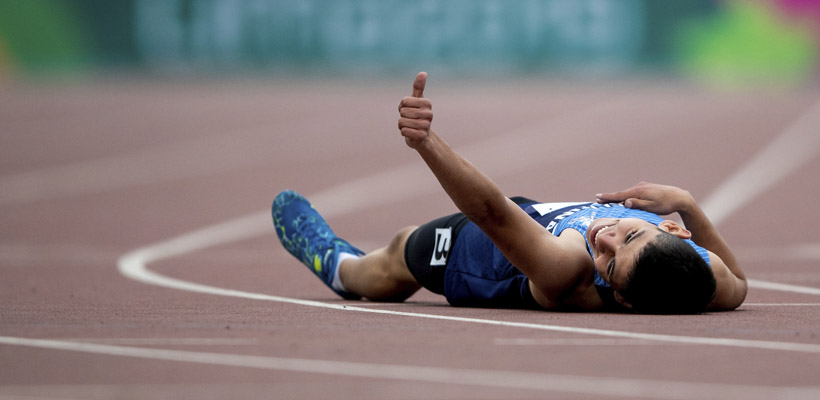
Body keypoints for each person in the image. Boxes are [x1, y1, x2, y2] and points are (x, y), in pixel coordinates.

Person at [272, 72, 747, 314]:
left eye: (610, 262)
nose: (604, 238)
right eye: (629, 236)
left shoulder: (570, 269)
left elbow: (491, 212)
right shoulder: (708, 278)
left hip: (489, 256)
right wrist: (687, 202)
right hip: (540, 214)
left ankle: (337, 265)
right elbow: (741, 287)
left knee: (396, 259)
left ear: (621, 297)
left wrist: (426, 143)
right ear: (675, 232)